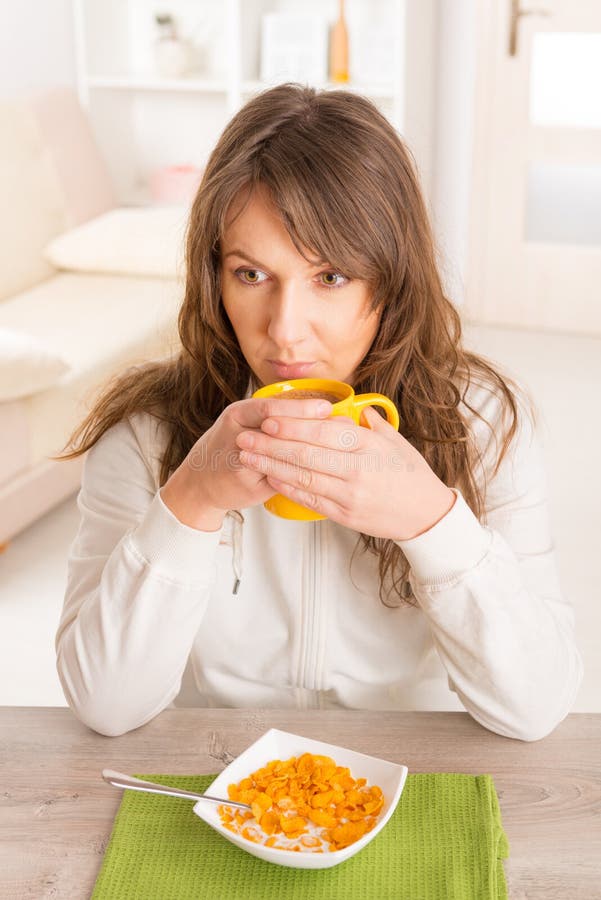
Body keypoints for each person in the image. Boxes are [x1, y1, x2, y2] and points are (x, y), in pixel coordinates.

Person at [55, 83, 582, 740]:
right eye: (250, 274)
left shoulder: (481, 425)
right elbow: (105, 705)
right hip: (217, 771)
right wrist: (190, 500)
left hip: (407, 771)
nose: (284, 330)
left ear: (391, 278)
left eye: (329, 278)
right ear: (212, 273)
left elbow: (534, 707)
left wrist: (431, 522)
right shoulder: (144, 434)